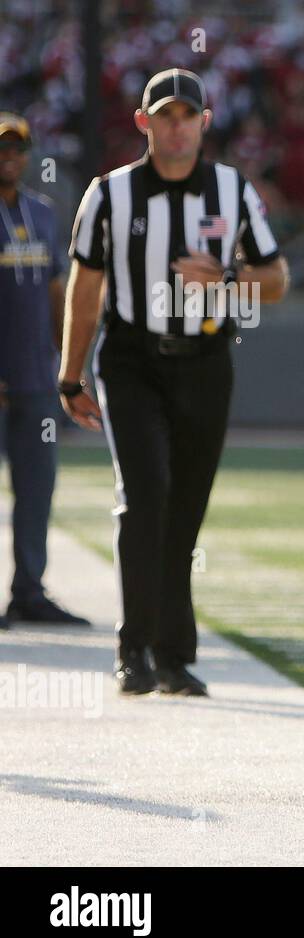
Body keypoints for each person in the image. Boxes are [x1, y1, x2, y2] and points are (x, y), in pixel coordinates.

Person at [60, 69, 289, 695]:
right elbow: (85, 290)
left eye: (188, 116)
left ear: (205, 123)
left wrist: (225, 278)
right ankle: (134, 645)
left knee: (184, 508)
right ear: (144, 123)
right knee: (146, 496)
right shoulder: (108, 195)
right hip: (131, 357)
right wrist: (69, 374)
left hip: (206, 360)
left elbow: (275, 280)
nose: (177, 126)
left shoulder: (232, 190)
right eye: (165, 115)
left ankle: (172, 654)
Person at [0, 111, 88, 629]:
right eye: (1, 150)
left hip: (34, 374)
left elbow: (59, 291)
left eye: (17, 149)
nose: (8, 158)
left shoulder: (45, 213)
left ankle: (29, 591)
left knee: (36, 490)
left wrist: (66, 362)